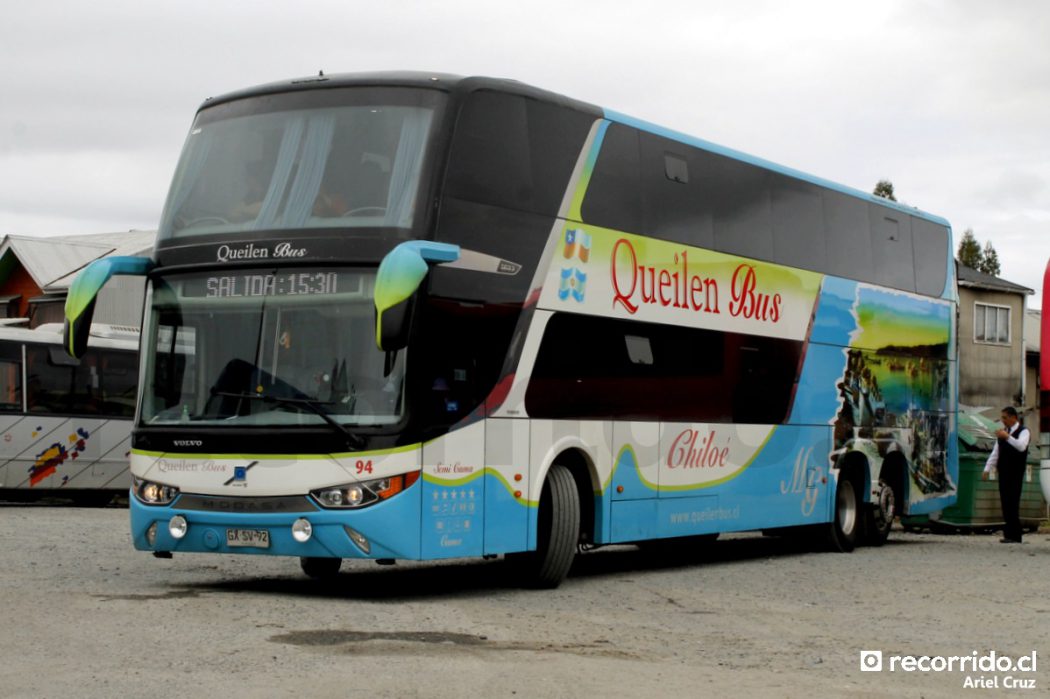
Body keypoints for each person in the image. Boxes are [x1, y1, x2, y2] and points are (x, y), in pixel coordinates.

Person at [981, 406, 1030, 543]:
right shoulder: (1003, 434)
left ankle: (1016, 535)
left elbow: (1021, 446)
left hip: (1016, 472)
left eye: (1005, 417)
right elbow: (995, 453)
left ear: (1013, 417)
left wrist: (1007, 437)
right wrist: (987, 468)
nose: (1002, 420)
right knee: (1005, 501)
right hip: (1004, 472)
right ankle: (1008, 533)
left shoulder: (1023, 431)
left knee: (1013, 501)